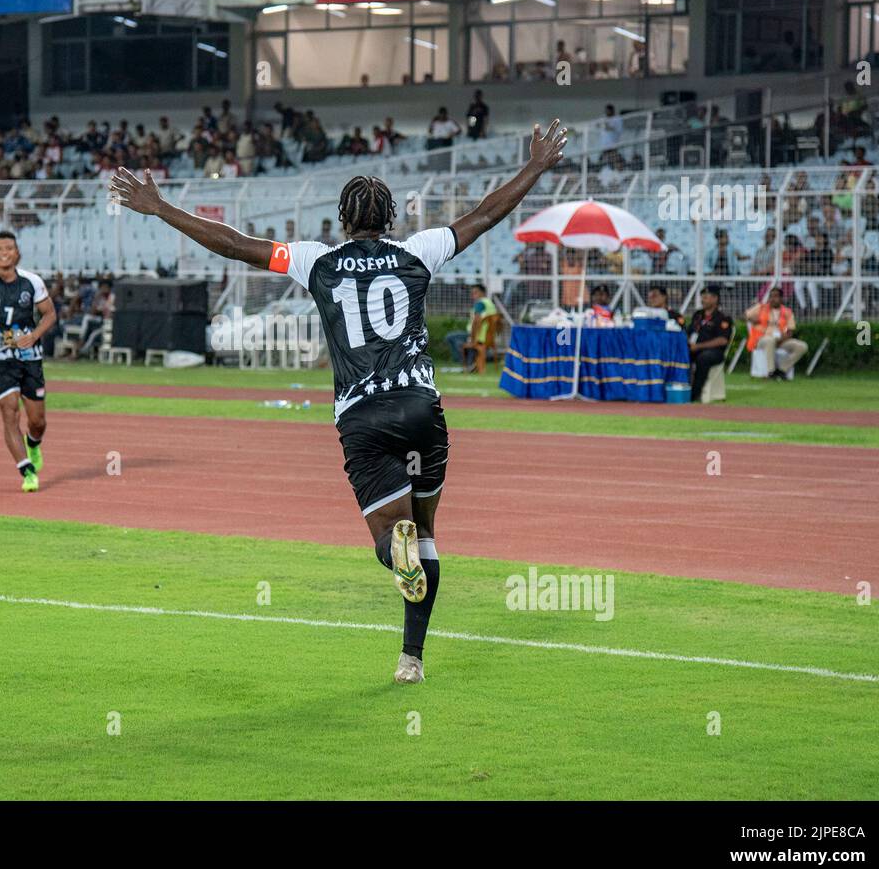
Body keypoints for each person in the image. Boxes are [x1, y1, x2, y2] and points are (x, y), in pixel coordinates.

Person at [108, 120, 569, 685]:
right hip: (421, 407)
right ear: (391, 218)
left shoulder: (315, 261)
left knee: (391, 538)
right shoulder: (419, 252)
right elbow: (485, 214)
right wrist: (536, 166)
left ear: (343, 223)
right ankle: (411, 659)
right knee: (426, 535)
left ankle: (389, 553)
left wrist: (160, 207)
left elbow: (232, 245)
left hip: (363, 416)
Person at [0, 233, 56, 492]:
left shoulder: (32, 282)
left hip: (30, 358)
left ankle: (34, 444)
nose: (4, 252)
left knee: (37, 421)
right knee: (9, 410)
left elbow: (50, 314)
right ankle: (27, 471)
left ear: (17, 253)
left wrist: (34, 335)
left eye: (9, 248)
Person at [744, 286, 807, 381]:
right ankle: (771, 372)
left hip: (781, 340)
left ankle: (781, 369)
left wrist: (781, 339)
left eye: (776, 296)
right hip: (761, 339)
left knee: (802, 346)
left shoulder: (787, 312)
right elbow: (744, 315)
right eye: (771, 296)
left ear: (781, 298)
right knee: (770, 340)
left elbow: (790, 331)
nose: (773, 299)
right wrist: (751, 319)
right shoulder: (761, 307)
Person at [686, 285, 731, 401]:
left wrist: (699, 346)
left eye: (706, 297)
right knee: (679, 354)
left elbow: (722, 340)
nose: (703, 300)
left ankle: (695, 393)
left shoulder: (722, 318)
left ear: (715, 299)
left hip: (714, 352)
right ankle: (680, 388)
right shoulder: (698, 315)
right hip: (695, 348)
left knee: (703, 358)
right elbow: (689, 331)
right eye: (702, 297)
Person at [445, 283, 495, 371]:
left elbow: (476, 321)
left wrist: (472, 337)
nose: (473, 295)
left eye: (475, 293)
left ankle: (466, 363)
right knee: (459, 340)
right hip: (488, 337)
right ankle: (471, 361)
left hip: (479, 336)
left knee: (450, 337)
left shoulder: (480, 304)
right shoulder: (490, 304)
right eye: (472, 293)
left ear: (483, 293)